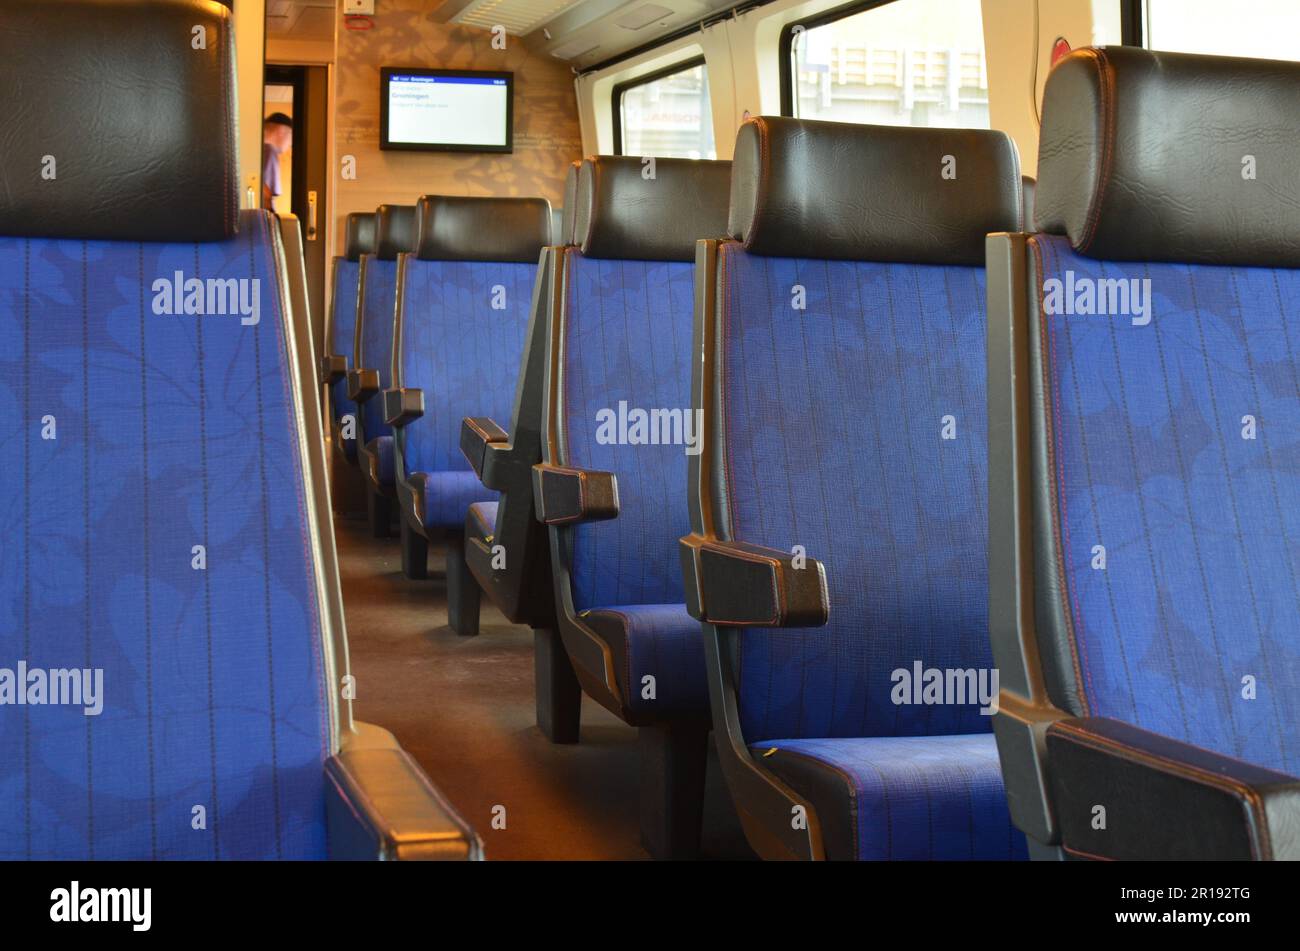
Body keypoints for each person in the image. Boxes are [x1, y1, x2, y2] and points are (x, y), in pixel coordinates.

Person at [262, 112, 293, 211]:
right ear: (281, 131)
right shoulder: (269, 151)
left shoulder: (258, 151)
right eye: (291, 136)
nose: (290, 144)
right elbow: (266, 197)